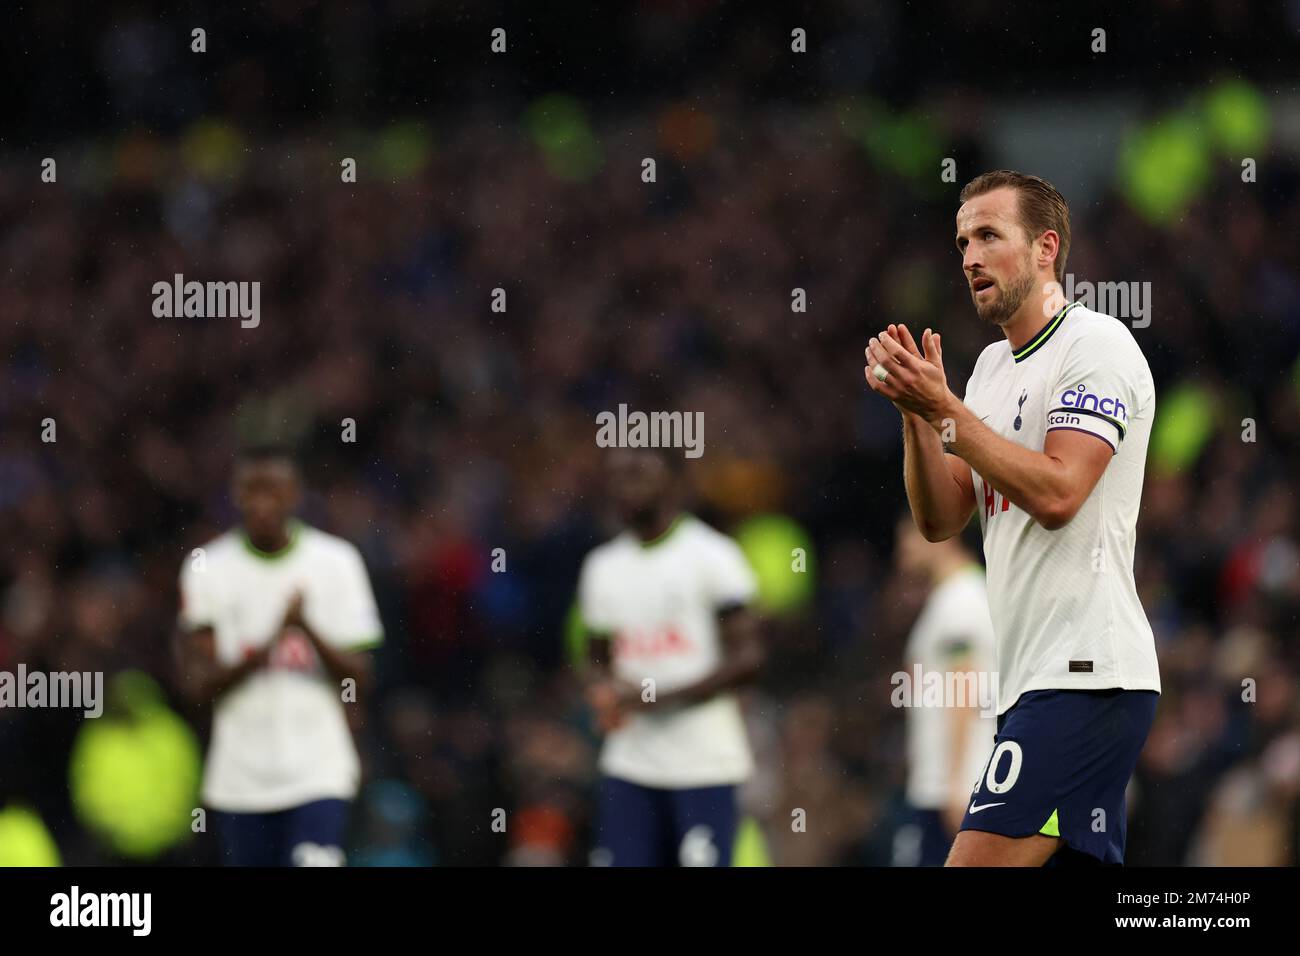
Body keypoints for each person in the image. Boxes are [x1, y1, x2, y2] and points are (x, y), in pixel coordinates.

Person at [864, 170, 1160, 865]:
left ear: (1045, 248)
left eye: (990, 235)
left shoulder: (1097, 345)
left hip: (1087, 674)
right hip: (1031, 680)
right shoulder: (992, 370)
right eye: (963, 240)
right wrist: (917, 415)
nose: (969, 256)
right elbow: (942, 520)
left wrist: (946, 412)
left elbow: (1060, 494)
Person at [177, 445, 383, 866]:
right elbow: (198, 686)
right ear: (236, 495)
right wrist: (271, 642)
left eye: (273, 490)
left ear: (294, 494)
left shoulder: (336, 562)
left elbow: (360, 675)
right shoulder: (207, 568)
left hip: (318, 767)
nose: (262, 502)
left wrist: (305, 627)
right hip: (241, 776)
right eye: (252, 490)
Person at [579, 446, 764, 867]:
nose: (624, 487)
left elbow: (749, 659)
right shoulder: (602, 567)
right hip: (630, 762)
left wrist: (652, 700)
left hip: (703, 763)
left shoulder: (714, 557)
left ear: (674, 483)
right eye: (617, 476)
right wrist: (600, 690)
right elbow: (595, 657)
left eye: (638, 474)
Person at [892, 517, 997, 866]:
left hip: (951, 788)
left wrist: (956, 784)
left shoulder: (960, 601)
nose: (902, 545)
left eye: (909, 531)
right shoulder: (954, 598)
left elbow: (964, 689)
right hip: (945, 782)